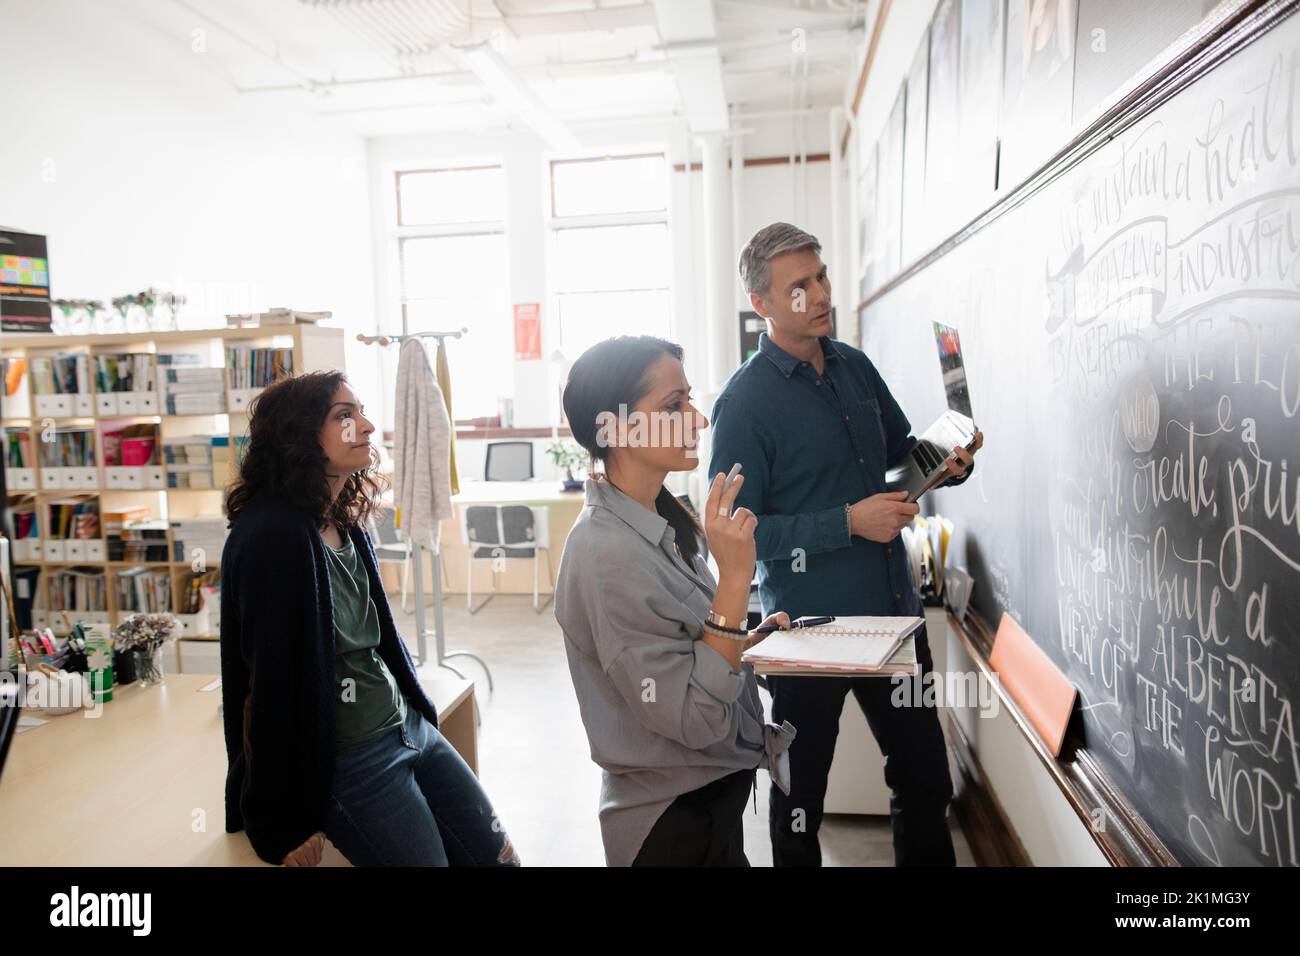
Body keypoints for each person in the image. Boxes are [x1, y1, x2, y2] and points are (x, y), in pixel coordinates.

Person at [709, 222, 984, 867]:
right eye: (798, 287)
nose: (820, 294)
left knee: (925, 783)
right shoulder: (743, 404)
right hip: (809, 633)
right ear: (762, 304)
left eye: (821, 276)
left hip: (894, 615)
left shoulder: (854, 366)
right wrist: (848, 523)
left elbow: (899, 456)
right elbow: (738, 534)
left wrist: (947, 461)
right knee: (800, 804)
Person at [220, 370, 517, 867]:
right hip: (353, 760)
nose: (367, 426)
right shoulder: (270, 535)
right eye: (344, 415)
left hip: (407, 726)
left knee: (501, 858)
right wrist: (276, 820)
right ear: (298, 433)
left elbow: (376, 643)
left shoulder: (343, 519)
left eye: (360, 412)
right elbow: (267, 685)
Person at [554, 335, 796, 867]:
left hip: (710, 806)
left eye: (689, 400)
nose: (699, 420)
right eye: (673, 405)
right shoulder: (605, 553)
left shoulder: (659, 519)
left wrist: (745, 641)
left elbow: (688, 644)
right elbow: (695, 718)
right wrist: (735, 579)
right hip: (673, 825)